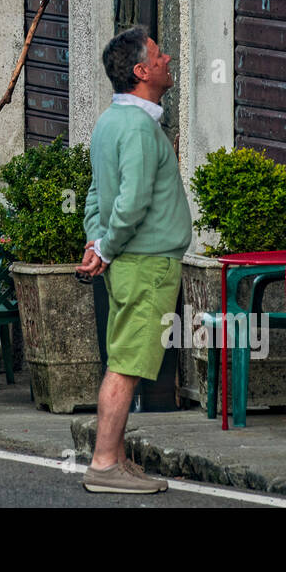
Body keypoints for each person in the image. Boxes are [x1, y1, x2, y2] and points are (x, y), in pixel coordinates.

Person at [78, 26, 192, 493]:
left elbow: (95, 196)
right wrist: (104, 246)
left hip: (129, 261)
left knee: (122, 355)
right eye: (160, 55)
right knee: (125, 363)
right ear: (142, 71)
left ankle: (117, 459)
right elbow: (132, 202)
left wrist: (95, 242)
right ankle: (105, 464)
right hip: (146, 263)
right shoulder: (141, 129)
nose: (168, 60)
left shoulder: (108, 123)